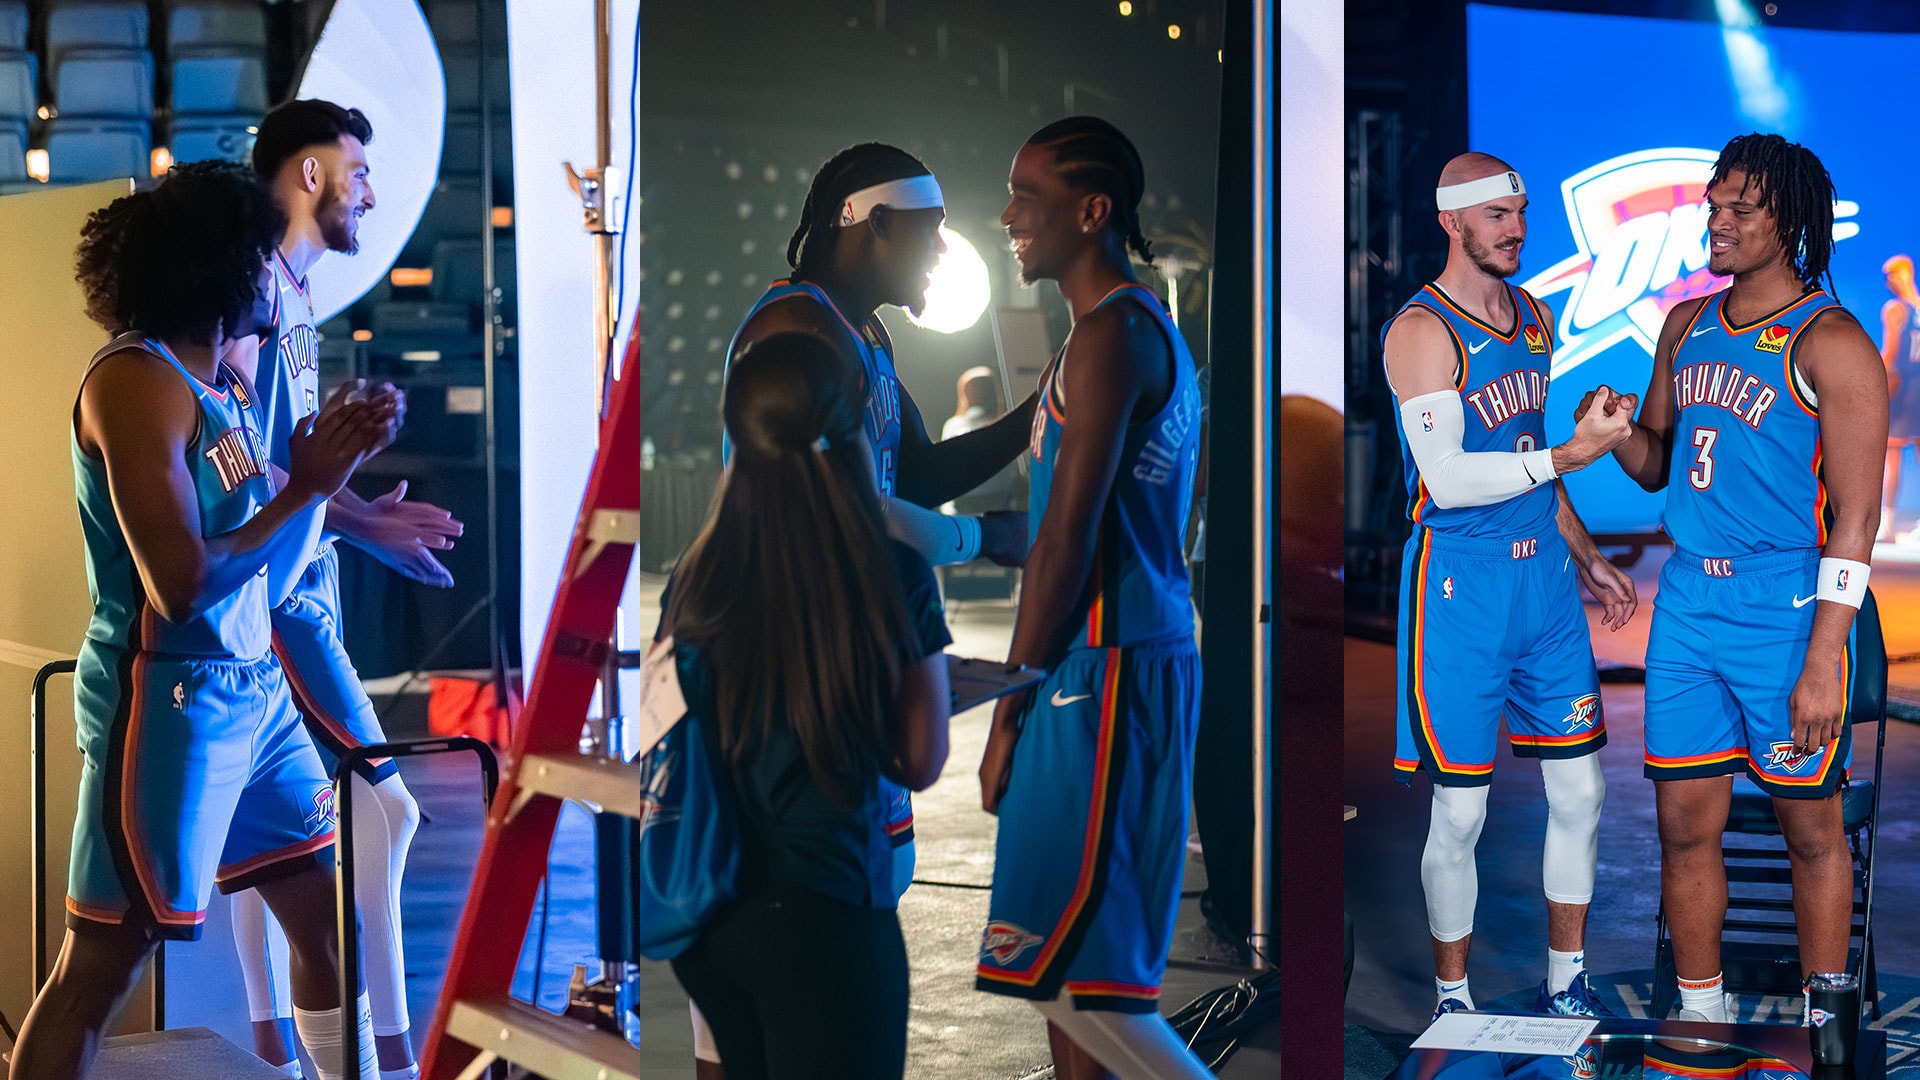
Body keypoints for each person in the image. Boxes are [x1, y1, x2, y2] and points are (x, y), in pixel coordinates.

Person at [11, 160, 396, 1080]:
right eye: (264, 256)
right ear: (220, 267)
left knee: (326, 920)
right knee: (97, 971)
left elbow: (267, 547)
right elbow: (182, 583)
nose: (277, 274)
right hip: (170, 710)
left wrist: (330, 489)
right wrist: (305, 486)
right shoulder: (134, 381)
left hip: (254, 696)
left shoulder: (218, 378)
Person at [694, 141, 1039, 1074]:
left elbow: (916, 470)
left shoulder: (863, 334)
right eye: (928, 236)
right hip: (803, 645)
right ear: (872, 225)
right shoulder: (793, 331)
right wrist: (976, 542)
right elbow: (847, 494)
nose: (938, 256)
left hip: (831, 640)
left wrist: (1042, 410)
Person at [1582, 132, 1885, 1023]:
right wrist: (1612, 432)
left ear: (1786, 222)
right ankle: (1703, 1021)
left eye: (1738, 209)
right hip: (1688, 606)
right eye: (1713, 204)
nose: (1716, 221)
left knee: (1809, 831)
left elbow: (1858, 518)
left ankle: (1826, 1030)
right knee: (1683, 826)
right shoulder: (1685, 323)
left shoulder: (1831, 342)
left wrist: (1827, 655)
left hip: (1784, 610)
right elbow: (1655, 465)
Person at [221, 99, 463, 1080]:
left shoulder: (296, 294)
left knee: (279, 839)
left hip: (299, 588)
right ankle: (389, 1054)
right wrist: (362, 522)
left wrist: (358, 518)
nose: (371, 189)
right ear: (310, 174)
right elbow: (232, 453)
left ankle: (282, 1038)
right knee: (381, 815)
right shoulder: (249, 290)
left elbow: (290, 457)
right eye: (357, 169)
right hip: (273, 599)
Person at [973, 115, 1211, 1080]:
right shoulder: (1116, 329)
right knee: (1072, 985)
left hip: (1104, 679)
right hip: (1114, 665)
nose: (1007, 216)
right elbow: (1060, 529)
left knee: (1095, 991)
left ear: (1092, 209)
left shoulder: (1114, 334)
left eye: (1026, 198)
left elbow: (1066, 544)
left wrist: (1006, 711)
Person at [1381, 152, 1639, 1020]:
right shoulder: (1421, 332)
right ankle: (1453, 999)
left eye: (1521, 212)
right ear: (1452, 222)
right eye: (1497, 215)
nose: (1518, 229)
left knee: (1584, 789)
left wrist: (1587, 553)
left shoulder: (1533, 316)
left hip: (1543, 588)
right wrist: (1568, 454)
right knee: (1460, 813)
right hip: (1462, 591)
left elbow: (1530, 463)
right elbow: (1449, 479)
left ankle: (1567, 980)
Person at [662, 332, 954, 1078]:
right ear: (853, 429)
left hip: (711, 921)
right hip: (828, 915)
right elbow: (919, 761)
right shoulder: (893, 572)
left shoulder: (695, 579)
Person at [1878, 254, 1920, 541]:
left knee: (1891, 453)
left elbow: (1890, 352)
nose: (1887, 282)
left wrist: (1876, 379)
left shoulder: (1896, 309)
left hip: (1901, 385)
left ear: (1903, 275)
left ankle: (1888, 522)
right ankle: (1889, 522)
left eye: (1891, 275)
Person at [944, 366, 1001, 440]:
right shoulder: (953, 425)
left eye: (982, 387)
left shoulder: (999, 421)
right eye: (970, 389)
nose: (976, 392)